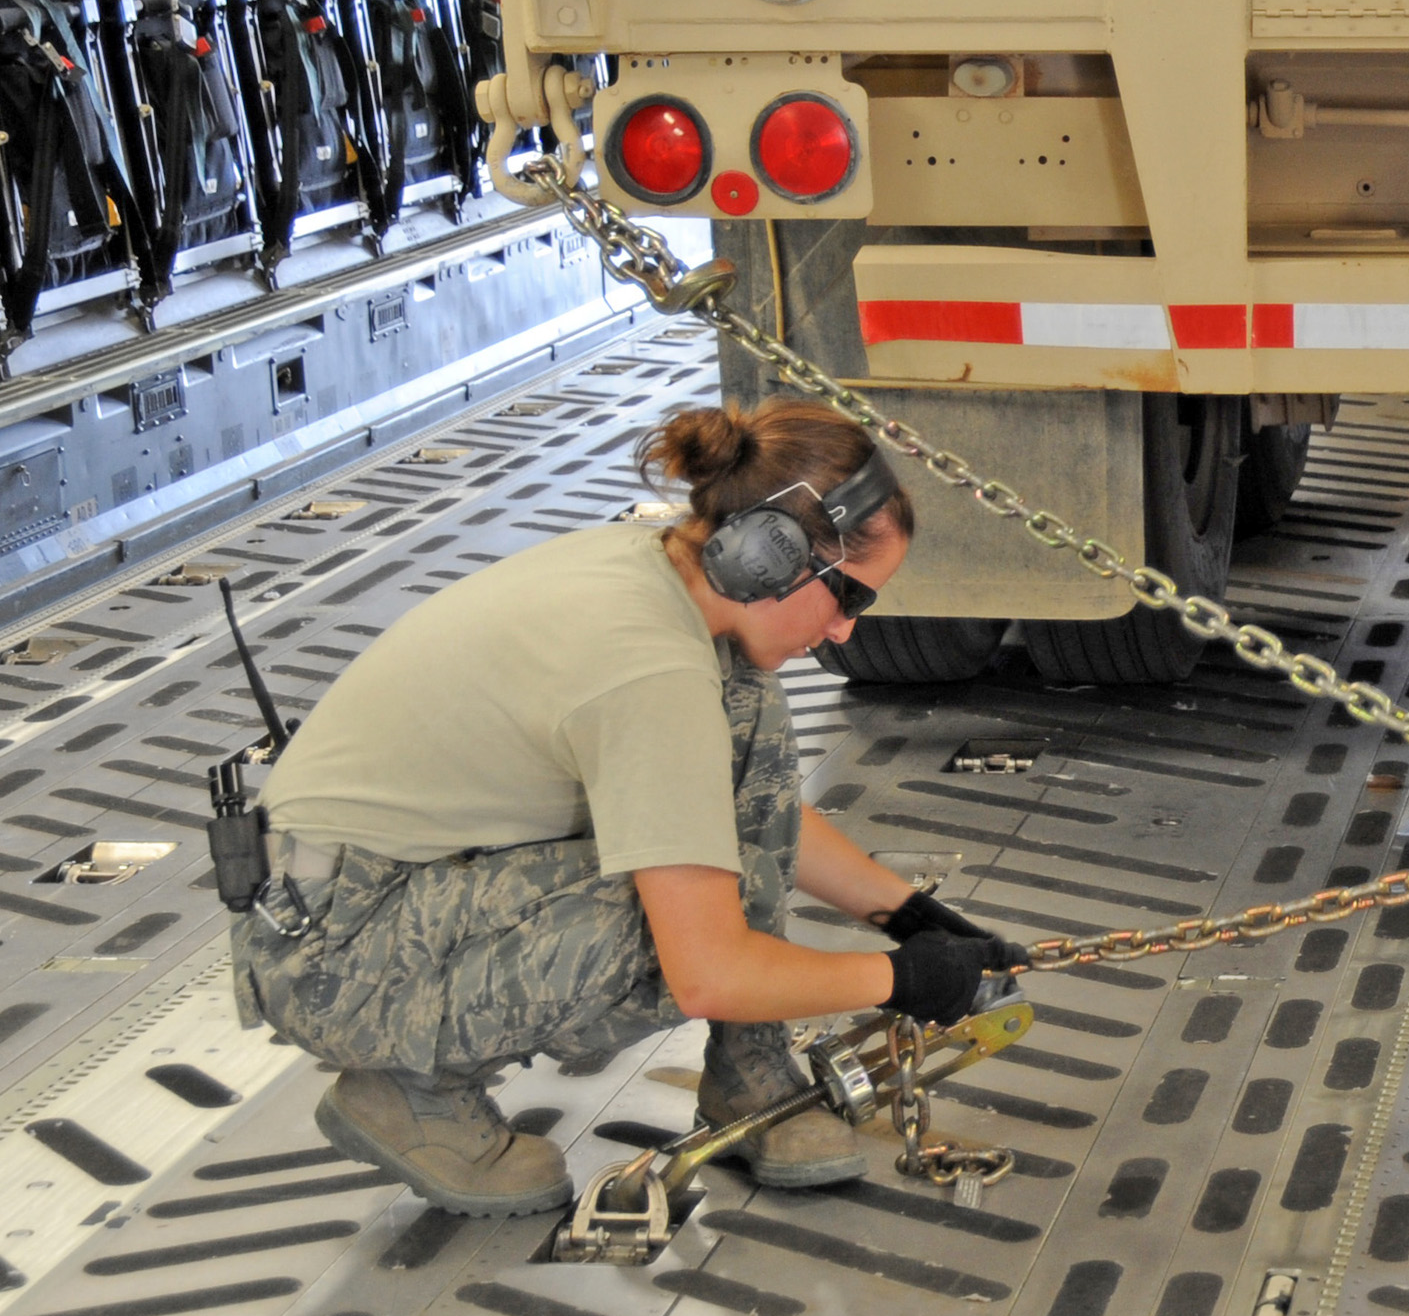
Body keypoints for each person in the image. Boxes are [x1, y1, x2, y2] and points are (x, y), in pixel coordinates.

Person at [233, 400, 1027, 1216]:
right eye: (849, 598)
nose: (845, 634)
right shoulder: (648, 669)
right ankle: (413, 1093)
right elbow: (707, 970)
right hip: (335, 956)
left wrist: (905, 914)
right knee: (664, 924)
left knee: (745, 715)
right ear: (772, 555)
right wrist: (899, 980)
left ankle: (746, 1076)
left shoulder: (664, 577)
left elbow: (759, 809)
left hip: (371, 894)